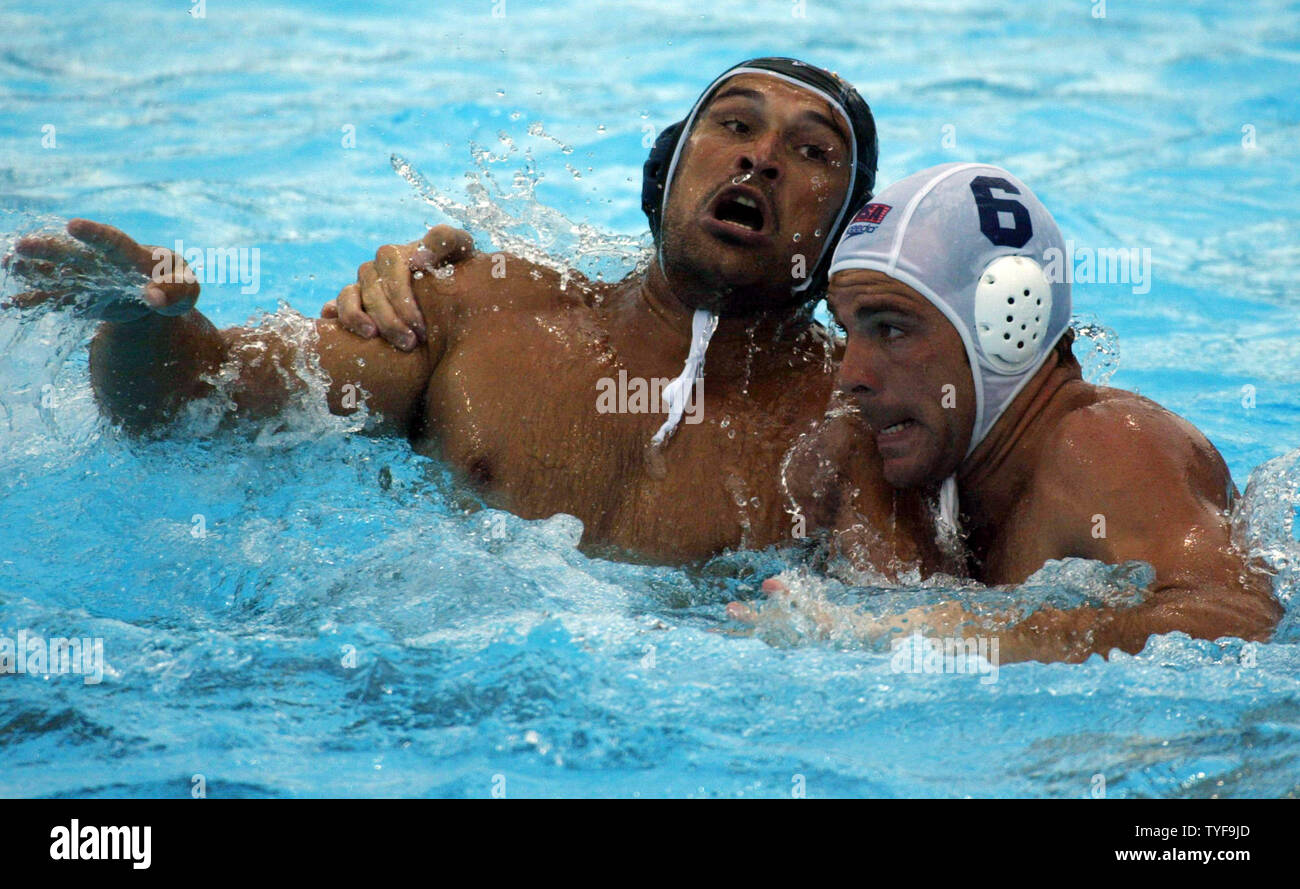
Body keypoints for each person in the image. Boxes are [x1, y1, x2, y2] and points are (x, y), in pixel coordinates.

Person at [6, 58, 936, 568]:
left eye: (810, 150)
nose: (761, 158)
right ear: (663, 176)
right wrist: (144, 324)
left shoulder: (861, 421)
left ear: (849, 234)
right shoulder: (471, 311)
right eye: (734, 124)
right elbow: (189, 410)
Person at [730, 162, 1283, 663]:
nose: (851, 375)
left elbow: (1238, 621)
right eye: (848, 330)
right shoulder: (933, 466)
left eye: (890, 329)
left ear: (1006, 326)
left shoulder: (1103, 445)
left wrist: (963, 634)